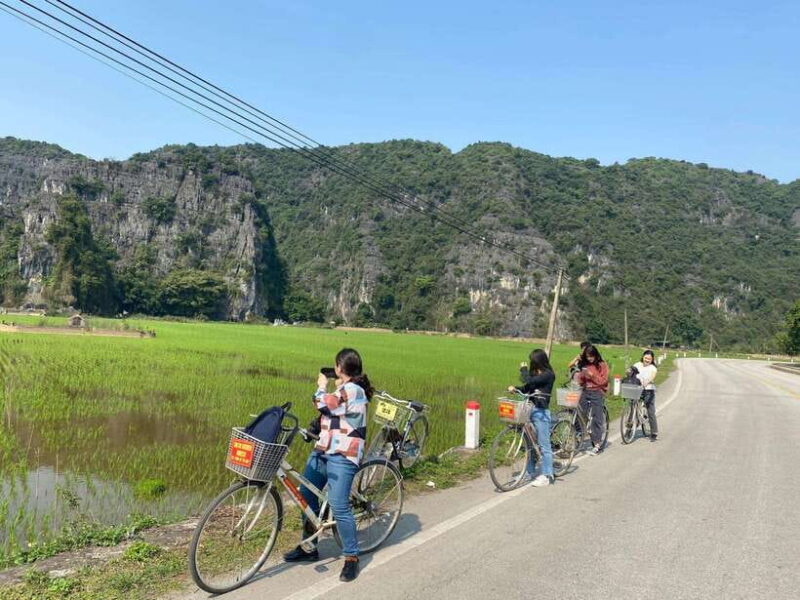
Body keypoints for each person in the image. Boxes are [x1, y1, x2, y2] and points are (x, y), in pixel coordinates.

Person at [283, 348, 372, 582]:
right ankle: (309, 548)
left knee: (339, 504)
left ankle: (352, 557)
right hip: (324, 448)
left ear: (339, 368)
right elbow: (332, 415)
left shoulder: (353, 390)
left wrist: (321, 385)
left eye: (335, 366)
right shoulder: (344, 388)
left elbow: (323, 403)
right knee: (306, 496)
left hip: (344, 454)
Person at [507, 348, 556, 487]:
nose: (532, 364)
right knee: (530, 443)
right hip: (530, 409)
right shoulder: (535, 373)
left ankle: (547, 475)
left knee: (544, 445)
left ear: (540, 361)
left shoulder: (548, 375)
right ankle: (529, 471)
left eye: (534, 361)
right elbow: (527, 387)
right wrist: (515, 389)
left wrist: (523, 370)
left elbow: (531, 381)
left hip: (541, 412)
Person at [575, 344, 609, 455]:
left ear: (596, 355)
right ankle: (578, 437)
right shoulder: (585, 365)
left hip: (597, 392)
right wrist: (580, 376)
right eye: (587, 356)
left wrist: (592, 375)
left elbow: (603, 381)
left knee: (596, 418)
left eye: (591, 356)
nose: (590, 358)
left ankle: (597, 443)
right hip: (585, 391)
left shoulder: (601, 365)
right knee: (579, 415)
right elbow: (581, 380)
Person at [633, 349, 659, 441]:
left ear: (652, 360)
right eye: (645, 358)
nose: (647, 360)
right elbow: (631, 371)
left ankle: (654, 432)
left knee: (650, 411)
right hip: (637, 388)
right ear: (643, 357)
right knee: (632, 405)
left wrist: (647, 381)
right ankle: (630, 428)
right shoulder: (637, 365)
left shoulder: (653, 368)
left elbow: (652, 376)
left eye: (649, 359)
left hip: (648, 390)